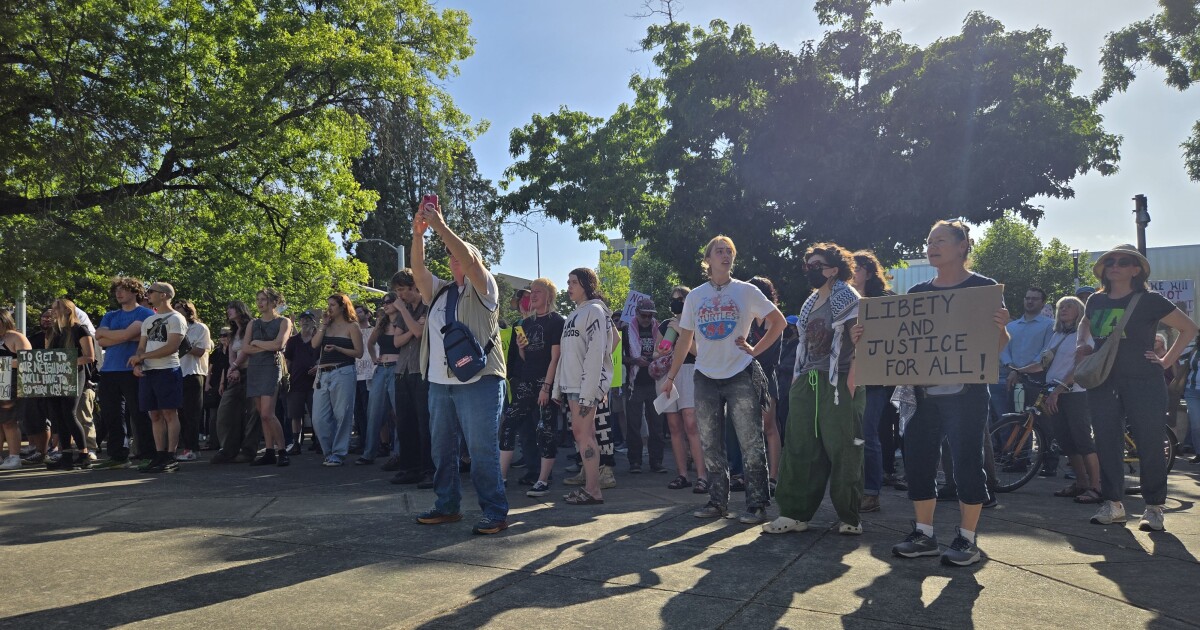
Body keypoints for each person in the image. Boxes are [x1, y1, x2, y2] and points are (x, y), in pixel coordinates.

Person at [858, 220, 1009, 567]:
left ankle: (967, 539)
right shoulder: (917, 294)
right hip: (923, 395)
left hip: (966, 394)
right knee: (918, 462)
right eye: (929, 241)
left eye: (940, 240)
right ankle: (924, 534)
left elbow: (996, 347)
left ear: (962, 246)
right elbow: (900, 344)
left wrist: (1000, 329)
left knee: (967, 463)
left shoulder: (983, 289)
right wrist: (865, 340)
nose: (931, 247)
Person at [662, 235, 785, 525]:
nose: (725, 255)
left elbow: (778, 322)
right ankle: (717, 502)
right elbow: (684, 340)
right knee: (710, 443)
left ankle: (756, 504)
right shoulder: (695, 295)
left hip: (740, 372)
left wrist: (755, 350)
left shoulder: (746, 291)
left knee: (750, 441)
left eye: (729, 251)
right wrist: (670, 377)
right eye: (719, 251)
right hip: (705, 376)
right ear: (708, 259)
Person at [1076, 244, 1198, 531]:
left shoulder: (1149, 300)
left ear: (1136, 270)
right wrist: (1082, 342)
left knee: (1150, 444)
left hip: (1144, 380)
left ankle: (1154, 508)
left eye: (1122, 261)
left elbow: (1189, 329)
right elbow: (1085, 321)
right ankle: (1113, 505)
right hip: (1103, 381)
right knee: (1106, 442)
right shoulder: (1096, 300)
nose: (1114, 266)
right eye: (1110, 262)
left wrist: (1167, 360)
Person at [411, 198, 510, 535]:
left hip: (480, 379)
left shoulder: (486, 287)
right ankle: (447, 505)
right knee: (441, 448)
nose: (454, 258)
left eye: (461, 254)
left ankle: (495, 512)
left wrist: (438, 225)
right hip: (440, 382)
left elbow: (467, 258)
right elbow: (418, 271)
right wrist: (418, 236)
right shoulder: (440, 292)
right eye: (450, 254)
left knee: (482, 449)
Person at [763, 243, 863, 536]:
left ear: (834, 269)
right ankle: (794, 514)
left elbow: (861, 344)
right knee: (799, 447)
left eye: (817, 265)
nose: (810, 270)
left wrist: (852, 381)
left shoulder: (850, 298)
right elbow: (805, 345)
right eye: (808, 265)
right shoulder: (809, 303)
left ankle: (850, 516)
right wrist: (796, 381)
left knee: (844, 447)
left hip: (838, 382)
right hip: (807, 381)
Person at [1014, 296, 1102, 504]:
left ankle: (1097, 487)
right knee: (1066, 441)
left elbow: (1080, 366)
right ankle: (1081, 483)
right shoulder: (1058, 334)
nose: (1064, 308)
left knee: (1083, 441)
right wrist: (1017, 371)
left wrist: (1059, 390)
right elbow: (1043, 364)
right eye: (1061, 306)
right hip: (1056, 392)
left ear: (1080, 311)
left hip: (1075, 392)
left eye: (1069, 305)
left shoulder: (1084, 334)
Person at [554, 268, 617, 505]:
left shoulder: (595, 311)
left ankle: (593, 490)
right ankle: (591, 487)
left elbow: (597, 352)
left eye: (574, 282)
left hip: (584, 386)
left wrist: (591, 389)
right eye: (568, 281)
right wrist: (558, 387)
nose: (569, 286)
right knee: (584, 435)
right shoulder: (573, 314)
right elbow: (565, 354)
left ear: (586, 284)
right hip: (571, 385)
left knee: (584, 436)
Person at [501, 278, 564, 497]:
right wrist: (520, 348)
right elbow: (526, 358)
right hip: (526, 382)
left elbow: (555, 358)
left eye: (539, 291)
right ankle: (501, 477)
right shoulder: (525, 324)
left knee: (545, 430)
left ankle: (543, 480)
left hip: (545, 382)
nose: (533, 295)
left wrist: (546, 388)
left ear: (549, 295)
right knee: (508, 424)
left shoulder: (557, 321)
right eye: (532, 292)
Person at [850, 250, 896, 512]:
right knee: (850, 436)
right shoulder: (843, 300)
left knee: (868, 434)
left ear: (868, 272)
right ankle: (853, 486)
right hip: (846, 377)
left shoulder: (884, 302)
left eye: (856, 268)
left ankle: (871, 492)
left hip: (875, 380)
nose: (851, 273)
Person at [93, 277, 156, 468]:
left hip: (132, 369)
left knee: (139, 413)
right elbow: (99, 338)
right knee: (111, 414)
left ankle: (147, 453)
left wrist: (118, 335)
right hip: (109, 369)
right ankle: (118, 456)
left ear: (135, 292)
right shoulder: (110, 315)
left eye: (124, 290)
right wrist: (126, 335)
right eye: (117, 290)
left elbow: (125, 334)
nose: (119, 293)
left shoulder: (144, 312)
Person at [128, 282, 188, 473]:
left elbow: (172, 347)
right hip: (149, 372)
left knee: (169, 413)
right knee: (153, 414)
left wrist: (142, 357)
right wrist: (138, 363)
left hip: (167, 370)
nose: (147, 295)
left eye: (151, 292)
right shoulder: (148, 321)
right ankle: (159, 454)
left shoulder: (176, 318)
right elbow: (141, 345)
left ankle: (171, 455)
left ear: (163, 295)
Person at [658, 286, 708, 493]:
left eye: (681, 299)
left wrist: (681, 330)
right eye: (674, 299)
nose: (676, 302)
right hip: (668, 373)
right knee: (674, 426)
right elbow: (656, 352)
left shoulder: (698, 321)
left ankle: (702, 476)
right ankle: (682, 474)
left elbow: (699, 352)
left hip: (690, 371)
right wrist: (662, 349)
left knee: (690, 422)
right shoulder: (664, 325)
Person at [237, 288, 292, 466]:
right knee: (262, 413)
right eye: (258, 299)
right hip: (255, 368)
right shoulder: (253, 323)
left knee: (269, 413)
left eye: (264, 299)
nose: (260, 303)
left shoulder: (283, 321)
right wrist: (264, 346)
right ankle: (269, 451)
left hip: (271, 367)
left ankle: (282, 450)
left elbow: (279, 344)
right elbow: (245, 348)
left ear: (274, 302)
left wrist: (257, 343)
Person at [388, 270, 433, 488]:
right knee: (405, 422)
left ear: (414, 286)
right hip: (402, 371)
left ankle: (428, 469)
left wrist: (405, 316)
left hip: (422, 371)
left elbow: (418, 332)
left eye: (402, 290)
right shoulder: (404, 312)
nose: (400, 296)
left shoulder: (428, 305)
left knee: (425, 423)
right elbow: (396, 341)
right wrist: (411, 327)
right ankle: (409, 468)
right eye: (397, 291)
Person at [311, 293, 364, 466]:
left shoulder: (352, 326)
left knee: (342, 414)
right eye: (328, 304)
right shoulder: (327, 325)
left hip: (343, 371)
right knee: (318, 417)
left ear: (342, 306)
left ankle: (338, 453)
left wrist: (338, 348)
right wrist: (323, 325)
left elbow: (359, 353)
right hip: (323, 374)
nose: (329, 308)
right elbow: (314, 344)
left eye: (333, 305)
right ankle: (328, 451)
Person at [43, 298, 96, 470]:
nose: (53, 313)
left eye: (56, 309)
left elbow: (89, 356)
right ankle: (65, 454)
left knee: (69, 413)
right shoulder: (53, 331)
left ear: (67, 310)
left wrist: (65, 362)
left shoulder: (79, 330)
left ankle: (83, 453)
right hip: (55, 377)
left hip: (73, 375)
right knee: (58, 415)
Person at [747, 276, 784, 494]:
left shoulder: (773, 318)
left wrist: (749, 349)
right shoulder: (748, 318)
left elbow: (768, 352)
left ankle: (773, 476)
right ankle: (755, 474)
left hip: (767, 376)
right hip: (746, 376)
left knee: (770, 427)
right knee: (751, 429)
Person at [210, 302, 260, 463]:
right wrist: (234, 369)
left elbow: (246, 350)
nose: (228, 311)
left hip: (253, 372)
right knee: (225, 411)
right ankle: (228, 449)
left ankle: (248, 450)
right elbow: (232, 355)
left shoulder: (252, 327)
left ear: (240, 310)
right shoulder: (233, 333)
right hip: (237, 373)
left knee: (253, 412)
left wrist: (236, 366)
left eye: (231, 308)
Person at [624, 297, 665, 474]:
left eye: (650, 316)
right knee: (633, 424)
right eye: (644, 315)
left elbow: (667, 351)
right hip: (635, 382)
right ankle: (635, 461)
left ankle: (657, 461)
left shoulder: (660, 329)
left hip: (655, 381)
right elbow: (620, 357)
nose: (647, 319)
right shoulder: (626, 331)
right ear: (637, 313)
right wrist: (634, 360)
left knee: (657, 424)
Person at [358, 295, 400, 466]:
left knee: (398, 413)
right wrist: (375, 358)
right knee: (374, 412)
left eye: (390, 301)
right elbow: (370, 343)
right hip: (381, 369)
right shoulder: (382, 324)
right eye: (384, 303)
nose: (386, 305)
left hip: (397, 368)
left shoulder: (404, 322)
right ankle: (369, 453)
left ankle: (398, 453)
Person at [173, 299, 211, 462]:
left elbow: (201, 351)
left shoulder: (200, 328)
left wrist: (184, 343)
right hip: (176, 373)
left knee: (192, 413)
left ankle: (192, 448)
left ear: (188, 311)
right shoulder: (173, 328)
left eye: (179, 309)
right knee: (179, 413)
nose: (176, 312)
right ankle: (185, 446)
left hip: (193, 373)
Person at [0, 310, 32, 470]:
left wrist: (3, 362)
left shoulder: (16, 337)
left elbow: (27, 360)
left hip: (12, 383)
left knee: (9, 422)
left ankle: (14, 456)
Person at [284, 311, 319, 455]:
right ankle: (296, 443)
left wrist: (319, 366)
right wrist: (285, 378)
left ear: (314, 322)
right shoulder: (293, 341)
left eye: (308, 319)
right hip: (296, 383)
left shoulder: (318, 339)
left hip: (314, 384)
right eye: (303, 319)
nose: (305, 322)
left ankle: (318, 442)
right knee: (295, 415)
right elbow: (288, 361)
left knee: (315, 414)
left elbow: (324, 356)